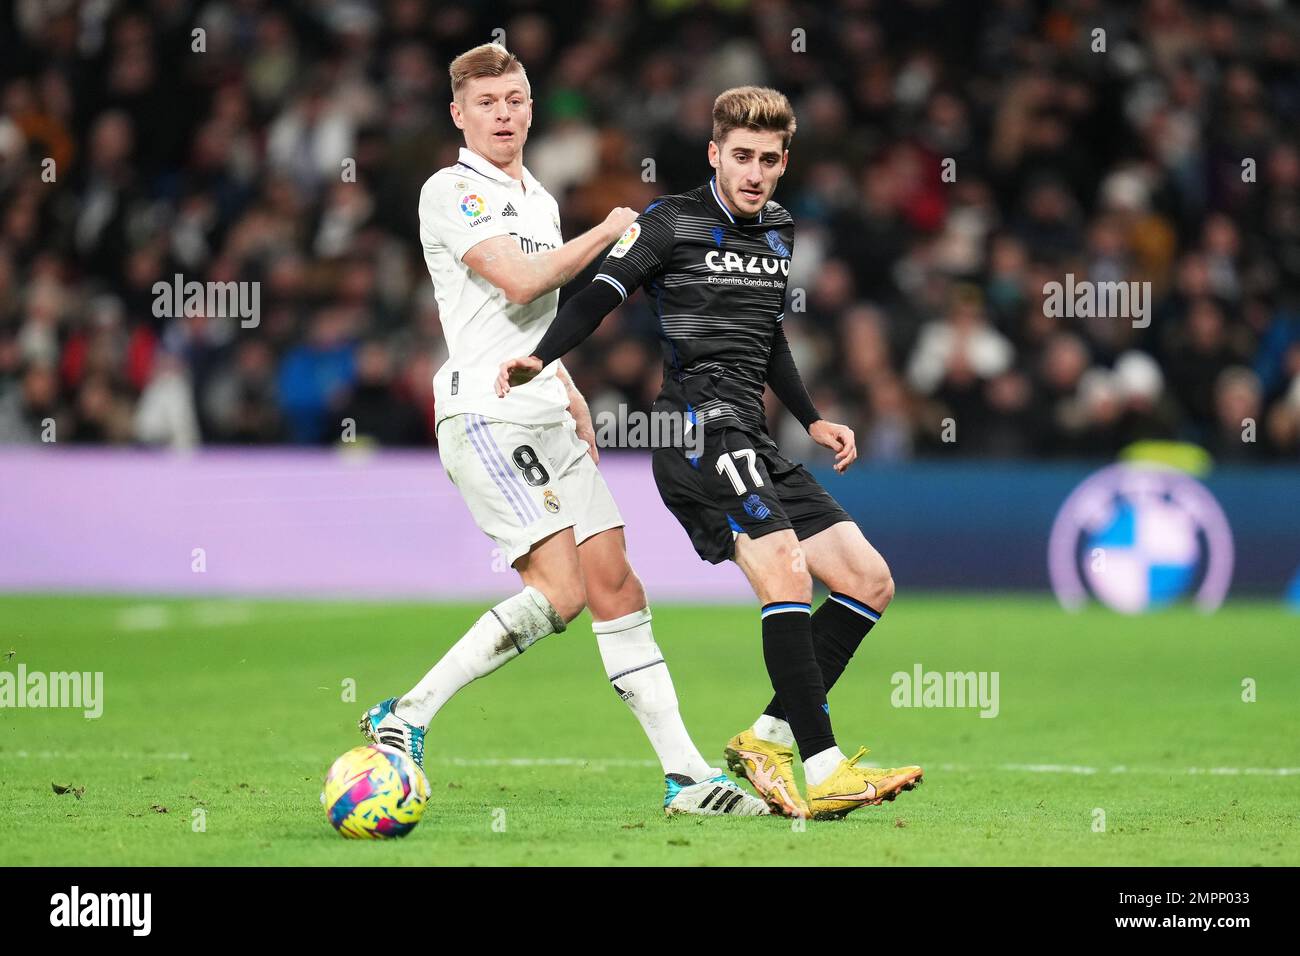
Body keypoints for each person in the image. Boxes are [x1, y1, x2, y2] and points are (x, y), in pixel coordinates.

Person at [359, 44, 767, 817]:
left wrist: (567, 382)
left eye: (514, 99)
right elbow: (518, 279)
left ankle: (686, 777)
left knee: (616, 583)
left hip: (542, 406)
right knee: (560, 591)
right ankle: (405, 714)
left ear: (531, 106)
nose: (504, 114)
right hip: (484, 410)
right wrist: (611, 231)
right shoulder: (451, 191)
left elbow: (532, 318)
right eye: (487, 103)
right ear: (459, 115)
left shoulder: (539, 199)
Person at [498, 86, 923, 819]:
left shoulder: (782, 230)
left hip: (751, 436)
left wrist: (813, 418)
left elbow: (769, 337)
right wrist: (542, 356)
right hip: (695, 431)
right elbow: (600, 292)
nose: (754, 173)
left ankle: (766, 738)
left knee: (868, 579)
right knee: (786, 569)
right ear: (714, 155)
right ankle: (823, 767)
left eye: (768, 160)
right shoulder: (671, 222)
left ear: (784, 162)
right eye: (741, 158)